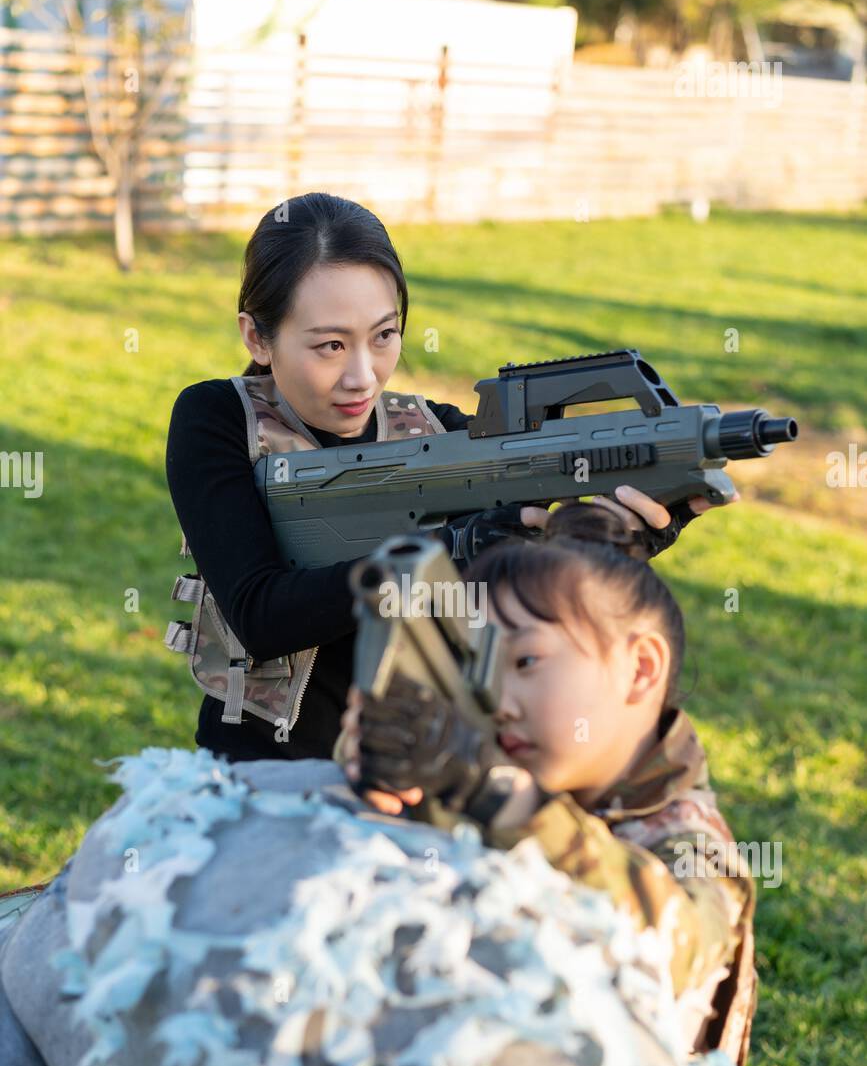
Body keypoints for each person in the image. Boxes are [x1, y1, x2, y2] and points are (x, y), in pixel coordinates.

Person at [165, 191, 733, 765]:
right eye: (331, 346)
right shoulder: (219, 421)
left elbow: (529, 605)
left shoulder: (440, 436)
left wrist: (613, 540)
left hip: (431, 775)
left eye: (384, 335)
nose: (363, 376)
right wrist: (444, 551)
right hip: (264, 773)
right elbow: (261, 615)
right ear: (256, 337)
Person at [340, 502, 756, 1066]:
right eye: (480, 665)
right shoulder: (516, 783)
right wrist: (394, 779)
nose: (500, 702)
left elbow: (670, 947)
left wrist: (495, 792)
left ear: (640, 670)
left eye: (527, 661)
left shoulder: (692, 844)